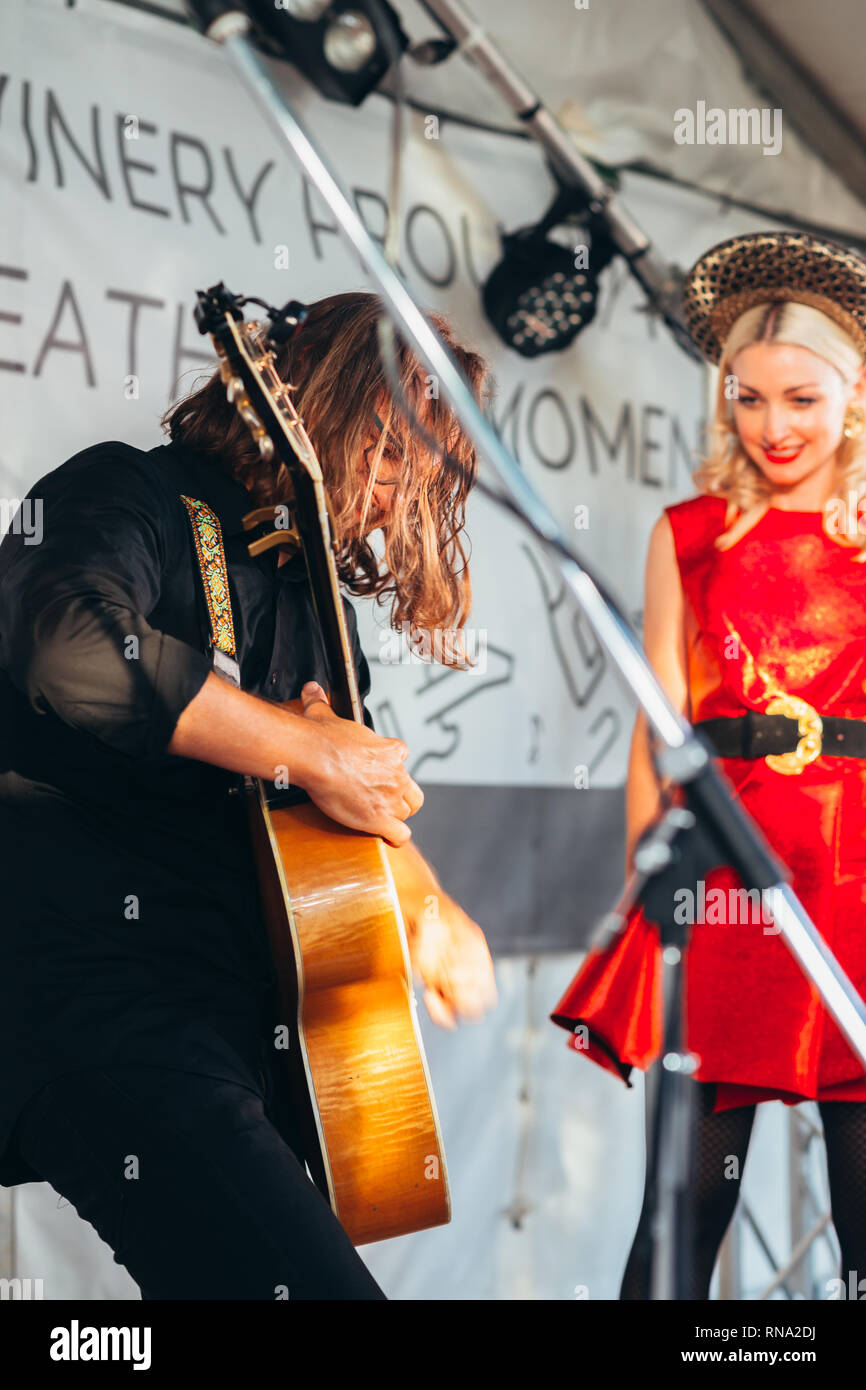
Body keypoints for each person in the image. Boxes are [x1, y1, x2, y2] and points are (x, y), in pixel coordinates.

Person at [0, 290, 497, 1300]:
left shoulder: (313, 600)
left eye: (425, 472)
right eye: (391, 450)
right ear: (304, 399)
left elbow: (342, 802)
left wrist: (428, 903)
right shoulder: (128, 492)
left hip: (239, 1037)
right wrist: (300, 750)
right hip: (100, 1000)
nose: (400, 495)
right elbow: (63, 644)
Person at [551, 231, 866, 1299]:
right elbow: (658, 727)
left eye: (801, 400)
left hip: (855, 886)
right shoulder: (689, 533)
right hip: (727, 880)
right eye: (748, 399)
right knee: (679, 1228)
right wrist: (649, 883)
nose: (773, 427)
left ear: (851, 398)